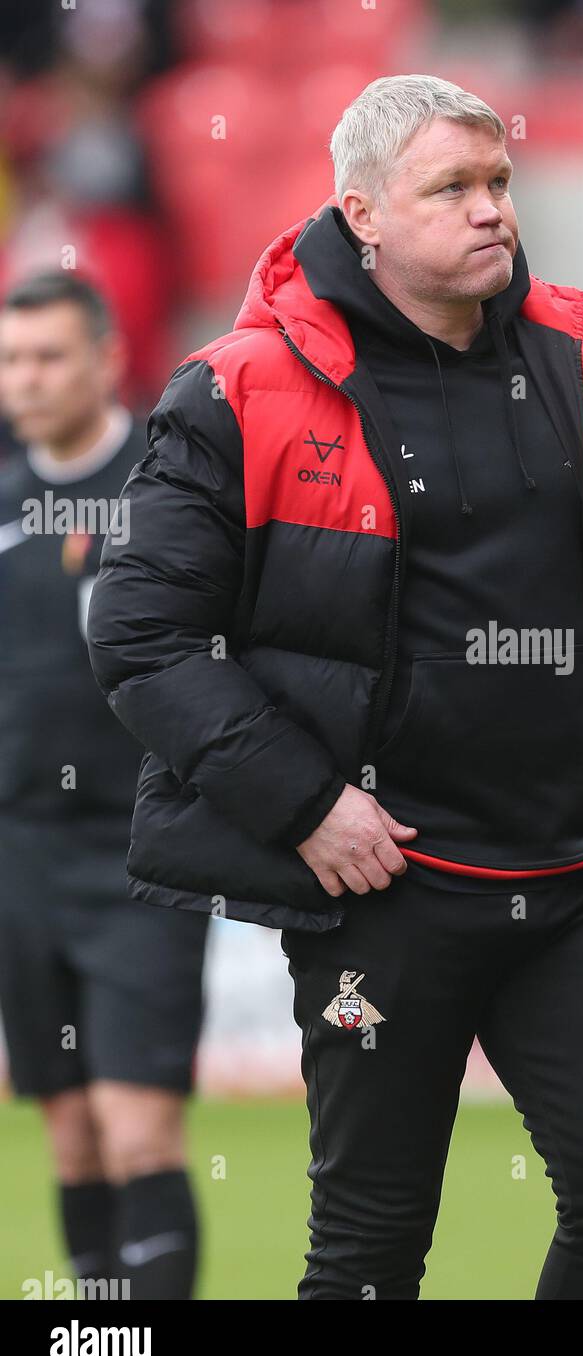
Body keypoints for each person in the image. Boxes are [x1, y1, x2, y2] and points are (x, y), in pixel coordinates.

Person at [87, 74, 583, 1300]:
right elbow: (142, 633)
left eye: (499, 184)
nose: (490, 213)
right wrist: (306, 803)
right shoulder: (233, 388)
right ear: (361, 213)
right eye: (451, 189)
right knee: (370, 1252)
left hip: (578, 866)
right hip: (382, 880)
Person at [0, 271, 207, 1300]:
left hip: (145, 850)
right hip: (21, 855)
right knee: (74, 1136)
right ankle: (104, 1335)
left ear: (105, 359)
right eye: (11, 359)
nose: (26, 379)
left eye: (47, 356)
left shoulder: (167, 485)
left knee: (138, 1127)